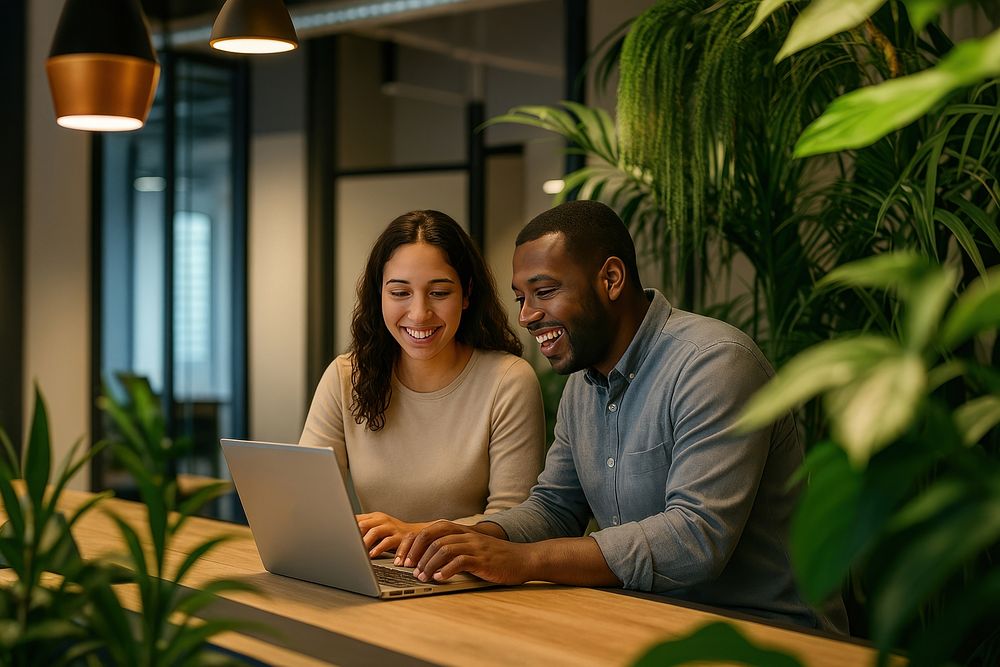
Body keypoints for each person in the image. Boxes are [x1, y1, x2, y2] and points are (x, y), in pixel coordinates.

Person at [394, 200, 848, 633]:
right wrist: (465, 539)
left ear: (611, 278)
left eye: (544, 291)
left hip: (768, 634)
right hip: (653, 622)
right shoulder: (581, 385)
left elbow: (696, 539)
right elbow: (555, 509)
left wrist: (525, 561)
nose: (528, 315)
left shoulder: (714, 363)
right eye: (521, 298)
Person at [300, 210, 545, 559]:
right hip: (379, 571)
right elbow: (308, 500)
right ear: (379, 295)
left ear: (466, 293)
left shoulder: (507, 381)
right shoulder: (347, 377)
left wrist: (412, 534)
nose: (419, 313)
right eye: (400, 292)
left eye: (439, 292)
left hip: (468, 577)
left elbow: (513, 523)